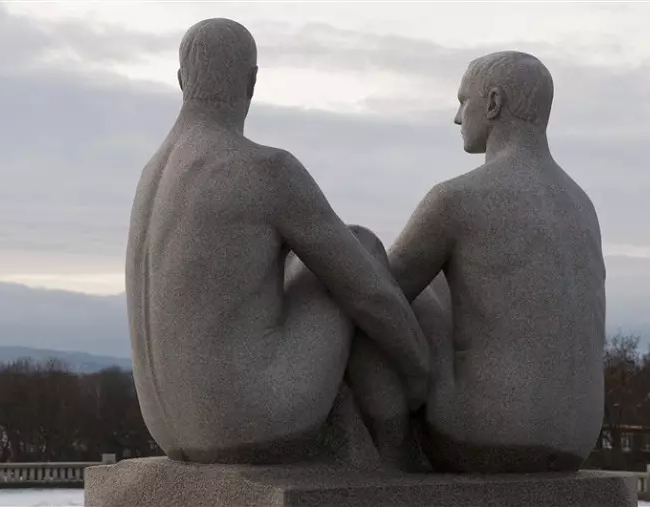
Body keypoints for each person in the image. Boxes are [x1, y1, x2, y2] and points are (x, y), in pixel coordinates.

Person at [126, 18, 430, 465]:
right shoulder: (265, 171)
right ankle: (396, 444)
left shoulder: (150, 176)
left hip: (168, 430)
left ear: (181, 81)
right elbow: (369, 294)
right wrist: (420, 371)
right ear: (252, 82)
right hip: (253, 420)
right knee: (359, 245)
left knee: (301, 267)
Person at [388, 51, 606, 473]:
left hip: (482, 433)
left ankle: (386, 451)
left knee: (381, 287)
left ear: (492, 103)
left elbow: (382, 294)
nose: (456, 117)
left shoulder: (457, 198)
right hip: (577, 442)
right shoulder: (582, 205)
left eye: (462, 101)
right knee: (449, 282)